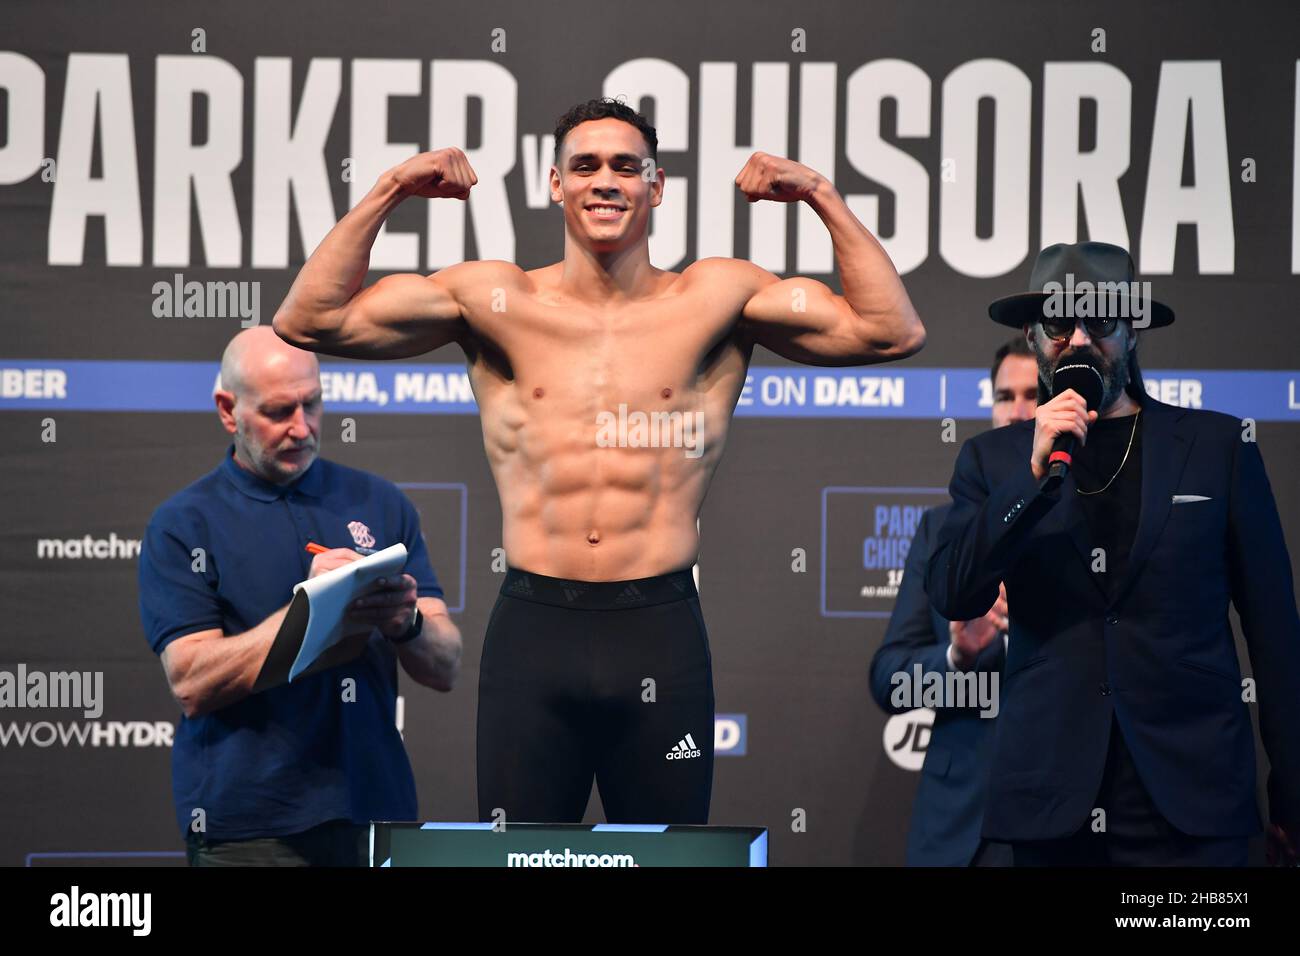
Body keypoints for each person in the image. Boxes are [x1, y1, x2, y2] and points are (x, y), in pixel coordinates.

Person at [272, 96, 925, 825]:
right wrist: (391, 188)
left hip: (660, 633)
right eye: (584, 166)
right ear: (556, 184)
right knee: (521, 856)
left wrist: (819, 195)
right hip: (534, 636)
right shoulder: (496, 299)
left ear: (657, 183)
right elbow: (309, 320)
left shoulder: (718, 296)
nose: (604, 181)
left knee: (670, 860)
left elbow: (890, 332)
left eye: (625, 166)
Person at [925, 241, 1300, 866]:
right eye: (1056, 323)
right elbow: (954, 591)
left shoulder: (1218, 447)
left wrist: (1292, 794)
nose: (1076, 339)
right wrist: (1032, 475)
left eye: (1098, 320)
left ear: (1131, 330)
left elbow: (1276, 638)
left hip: (1197, 807)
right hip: (1052, 811)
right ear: (1031, 337)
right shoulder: (993, 461)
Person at [138, 327, 462, 866]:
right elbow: (192, 680)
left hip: (376, 816)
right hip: (249, 830)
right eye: (278, 411)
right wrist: (311, 609)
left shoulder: (378, 501)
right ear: (227, 409)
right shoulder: (183, 524)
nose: (301, 428)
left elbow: (446, 665)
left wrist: (405, 623)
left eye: (312, 404)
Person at [870, 336, 1037, 866]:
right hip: (955, 831)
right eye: (1004, 396)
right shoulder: (942, 530)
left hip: (1063, 820)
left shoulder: (1093, 525)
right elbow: (889, 676)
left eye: (1034, 394)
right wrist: (955, 659)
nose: (1016, 412)